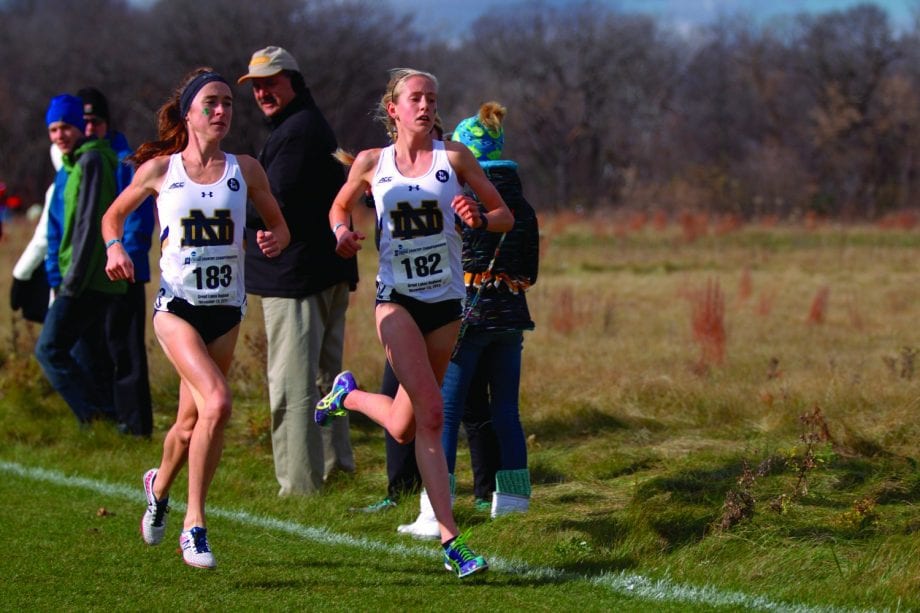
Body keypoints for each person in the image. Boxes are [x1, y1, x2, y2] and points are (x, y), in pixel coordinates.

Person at [314, 68, 513, 579]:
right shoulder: (371, 163)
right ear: (394, 109)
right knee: (431, 413)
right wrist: (342, 232)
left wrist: (478, 218)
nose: (425, 105)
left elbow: (504, 215)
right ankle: (452, 539)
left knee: (404, 425)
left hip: (446, 303)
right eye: (415, 98)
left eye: (432, 98)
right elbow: (339, 207)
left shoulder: (455, 159)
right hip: (395, 302)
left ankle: (347, 397)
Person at [102, 67, 290, 570]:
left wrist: (274, 239)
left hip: (226, 310)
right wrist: (115, 246)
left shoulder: (245, 169)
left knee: (190, 424)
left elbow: (278, 225)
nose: (222, 111)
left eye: (228, 103)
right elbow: (112, 216)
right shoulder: (162, 171)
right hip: (177, 308)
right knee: (220, 402)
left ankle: (158, 487)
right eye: (210, 103)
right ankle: (195, 524)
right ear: (188, 113)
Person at [237, 46, 357, 496]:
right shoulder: (305, 124)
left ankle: (300, 485)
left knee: (292, 384)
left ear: (294, 80)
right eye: (256, 85)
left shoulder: (296, 131)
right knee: (327, 380)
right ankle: (335, 466)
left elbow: (275, 204)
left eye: (272, 81)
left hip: (298, 277)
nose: (263, 92)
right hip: (323, 270)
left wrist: (222, 206)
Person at [442, 101, 539, 517]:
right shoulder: (526, 209)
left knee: (445, 411)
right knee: (506, 412)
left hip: (469, 318)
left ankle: (437, 501)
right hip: (511, 319)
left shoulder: (466, 199)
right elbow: (530, 271)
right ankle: (514, 502)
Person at [34, 94, 127, 426]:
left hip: (86, 280)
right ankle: (110, 423)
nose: (59, 136)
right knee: (89, 356)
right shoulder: (73, 164)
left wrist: (70, 284)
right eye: (53, 130)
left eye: (66, 127)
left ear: (79, 127)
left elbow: (88, 226)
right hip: (79, 277)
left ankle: (93, 419)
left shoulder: (91, 162)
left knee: (49, 350)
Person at [78, 86, 156, 437]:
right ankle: (110, 417)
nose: (88, 129)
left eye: (94, 122)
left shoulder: (126, 159)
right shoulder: (81, 161)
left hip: (123, 269)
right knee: (99, 345)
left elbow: (139, 217)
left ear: (107, 122)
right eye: (83, 123)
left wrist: (129, 257)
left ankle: (137, 425)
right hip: (94, 273)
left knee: (126, 350)